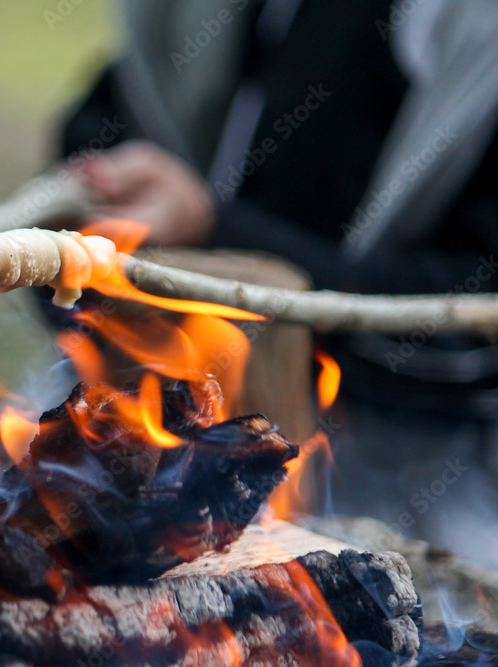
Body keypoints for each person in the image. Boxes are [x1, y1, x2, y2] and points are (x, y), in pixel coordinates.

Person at [54, 0, 498, 566]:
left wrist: (213, 228)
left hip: (411, 494)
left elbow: (471, 327)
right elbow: (99, 130)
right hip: (130, 438)